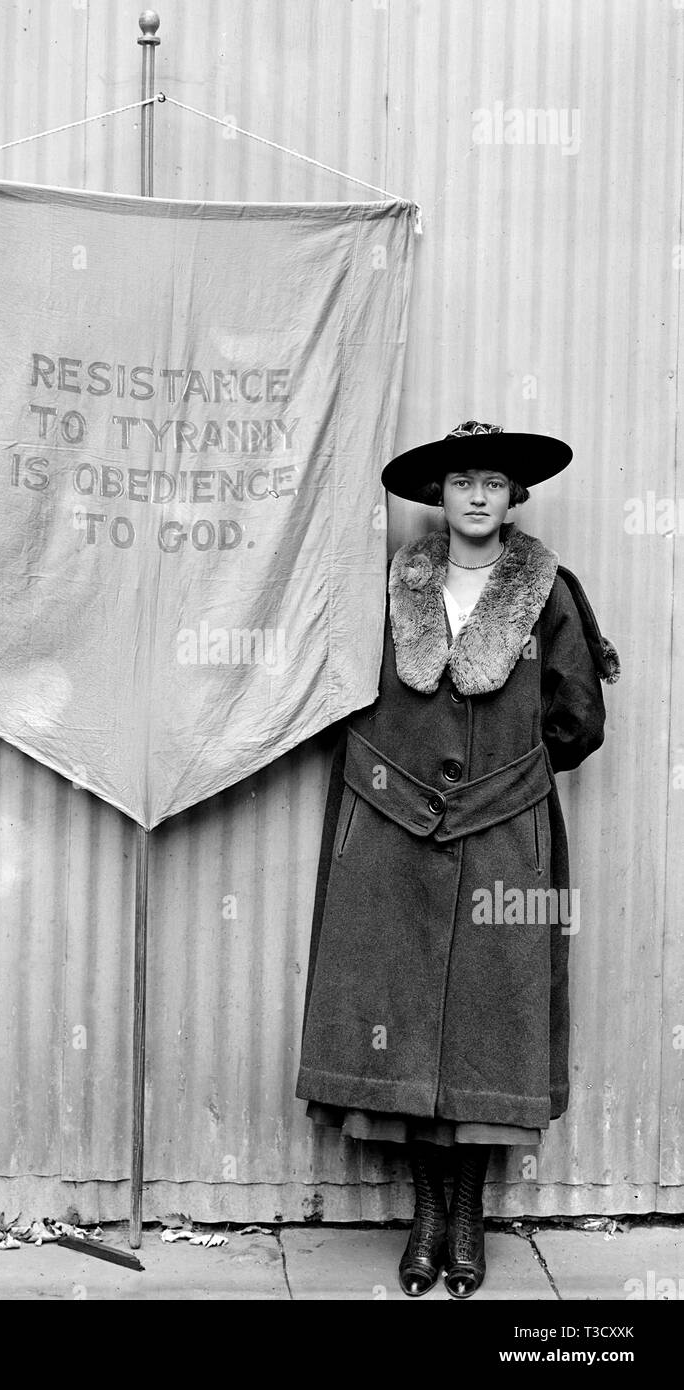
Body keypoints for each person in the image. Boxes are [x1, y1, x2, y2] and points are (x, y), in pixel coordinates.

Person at [295, 421, 619, 1298]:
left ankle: (466, 1222)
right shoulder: (390, 589)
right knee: (395, 1020)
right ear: (437, 498)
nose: (477, 496)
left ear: (516, 498)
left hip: (509, 840)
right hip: (391, 830)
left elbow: (579, 720)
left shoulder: (548, 593)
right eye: (461, 483)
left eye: (494, 483)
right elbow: (334, 693)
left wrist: (507, 782)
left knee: (487, 1025)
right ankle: (426, 1220)